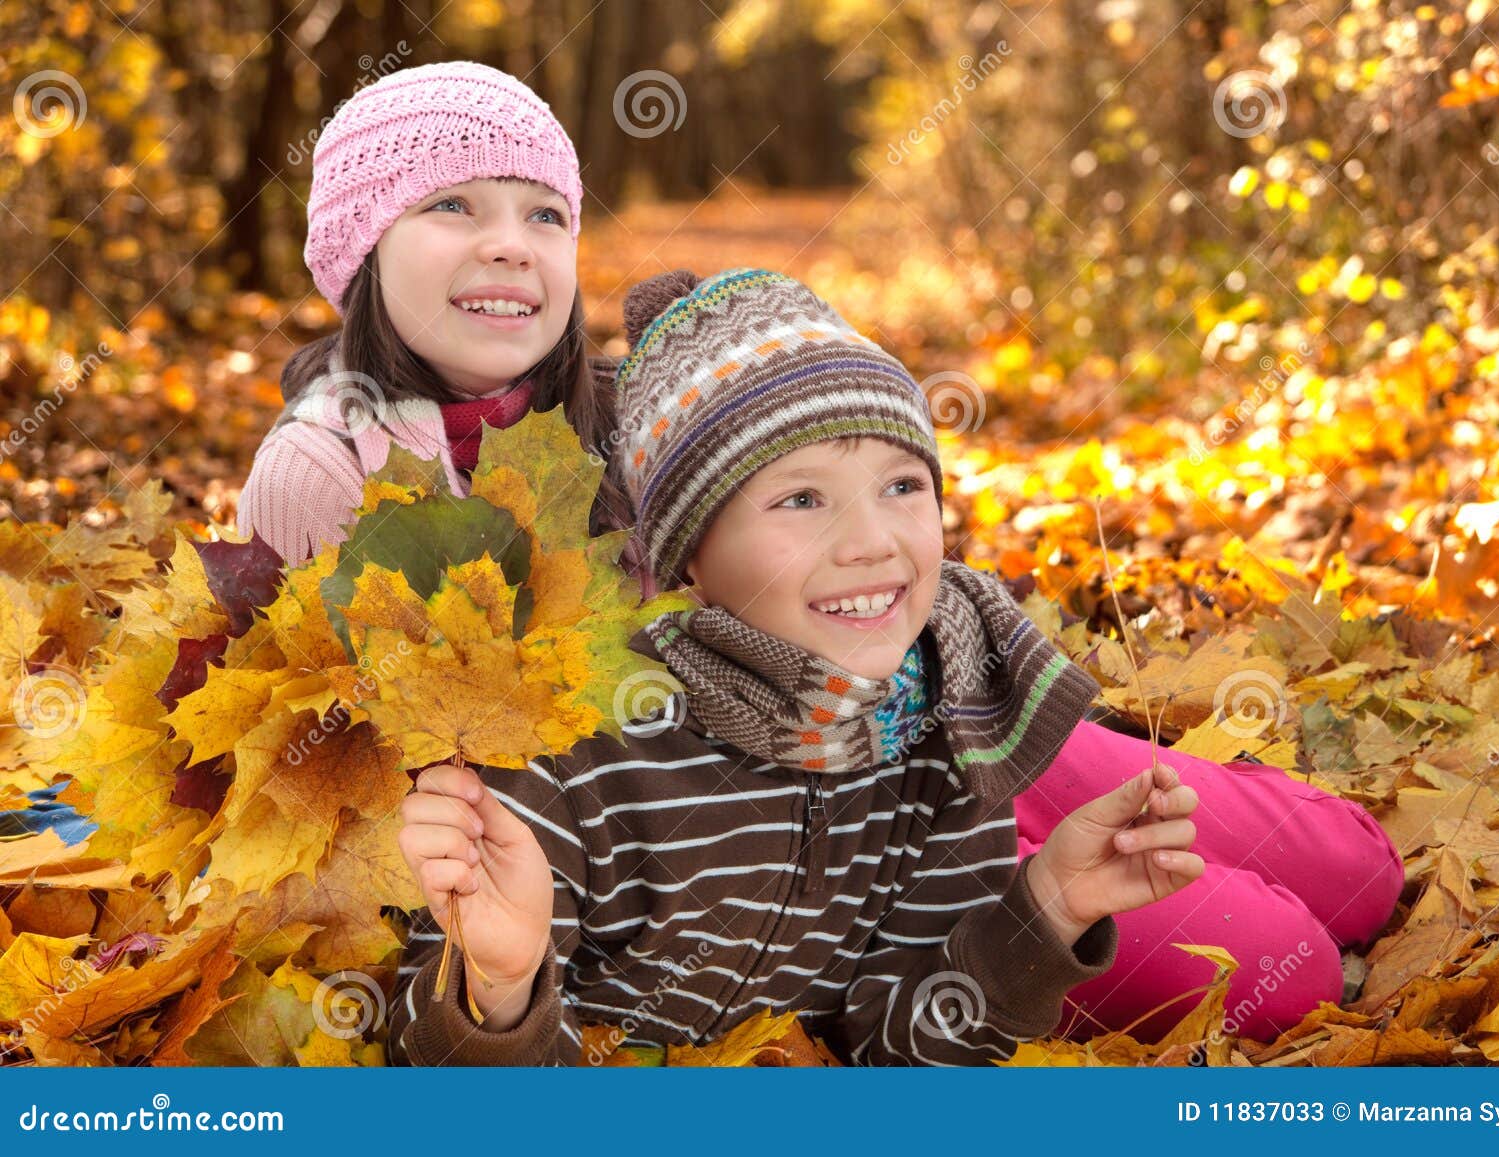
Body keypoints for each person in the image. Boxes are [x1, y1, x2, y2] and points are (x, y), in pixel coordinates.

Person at [387, 267, 1206, 1067]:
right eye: (802, 500)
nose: (871, 543)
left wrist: (1044, 913)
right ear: (690, 558)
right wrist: (499, 985)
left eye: (901, 486)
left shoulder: (950, 732)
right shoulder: (582, 743)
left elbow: (904, 1051)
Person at [236, 60, 633, 568]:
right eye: (452, 205)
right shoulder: (312, 481)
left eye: (545, 215)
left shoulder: (643, 438)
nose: (513, 247)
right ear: (364, 252)